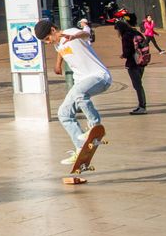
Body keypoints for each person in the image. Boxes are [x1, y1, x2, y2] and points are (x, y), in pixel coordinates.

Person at [35, 19, 112, 164]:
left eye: (47, 39)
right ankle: (81, 148)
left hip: (99, 77)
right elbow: (61, 50)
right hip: (82, 83)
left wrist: (75, 36)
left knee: (78, 92)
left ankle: (95, 125)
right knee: (63, 114)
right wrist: (58, 64)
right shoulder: (58, 44)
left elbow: (86, 33)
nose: (47, 42)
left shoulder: (70, 33)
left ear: (53, 30)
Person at [115, 17, 151, 115]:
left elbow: (127, 52)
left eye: (117, 30)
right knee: (139, 84)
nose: (117, 33)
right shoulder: (137, 33)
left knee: (138, 86)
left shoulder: (126, 36)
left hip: (133, 63)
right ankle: (141, 106)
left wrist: (124, 55)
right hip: (142, 62)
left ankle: (142, 107)